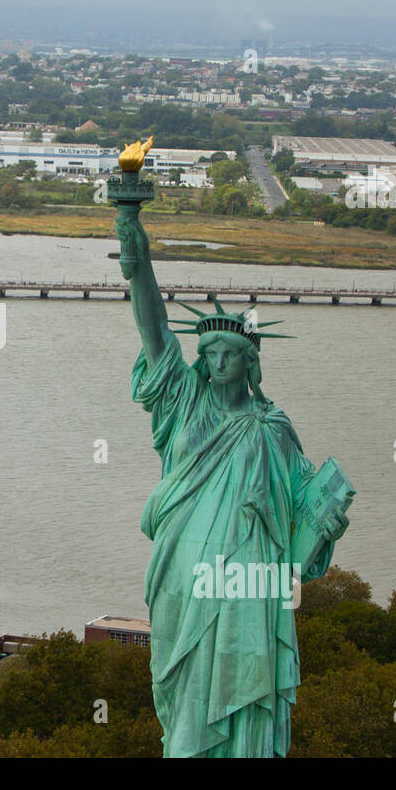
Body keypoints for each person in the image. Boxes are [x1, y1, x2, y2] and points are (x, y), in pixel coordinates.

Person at [115, 161, 351, 759]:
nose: (217, 363)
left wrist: (325, 520)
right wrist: (129, 224)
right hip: (183, 572)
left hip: (250, 580)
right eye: (210, 352)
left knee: (247, 696)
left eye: (230, 354)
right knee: (182, 690)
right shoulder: (182, 403)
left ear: (251, 363)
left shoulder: (274, 428)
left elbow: (300, 508)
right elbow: (151, 319)